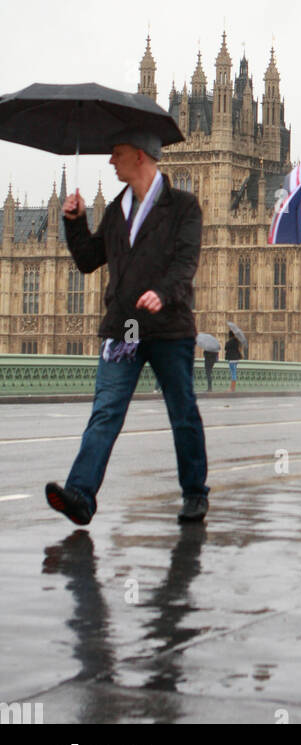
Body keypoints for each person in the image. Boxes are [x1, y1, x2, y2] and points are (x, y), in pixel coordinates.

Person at [45, 130, 208, 525]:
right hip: (128, 326)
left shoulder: (184, 207)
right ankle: (81, 494)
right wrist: (75, 222)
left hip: (168, 326)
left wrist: (163, 292)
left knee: (181, 411)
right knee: (106, 410)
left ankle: (194, 493)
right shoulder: (119, 209)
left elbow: (186, 264)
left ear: (139, 156)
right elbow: (88, 260)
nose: (110, 161)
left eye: (116, 154)